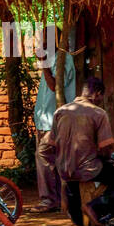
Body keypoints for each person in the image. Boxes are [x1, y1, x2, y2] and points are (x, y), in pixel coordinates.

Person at [39, 77, 114, 226]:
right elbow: (105, 151)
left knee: (79, 221)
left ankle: (99, 211)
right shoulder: (98, 113)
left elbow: (50, 145)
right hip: (89, 170)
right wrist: (107, 158)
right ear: (97, 94)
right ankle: (94, 206)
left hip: (65, 172)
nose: (101, 101)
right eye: (101, 97)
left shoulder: (61, 111)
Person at [31, 30, 77, 213]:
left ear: (56, 40)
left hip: (56, 120)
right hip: (44, 121)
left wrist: (43, 64)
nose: (42, 43)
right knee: (50, 159)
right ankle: (55, 200)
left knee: (43, 155)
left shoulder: (63, 59)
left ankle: (49, 200)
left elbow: (55, 86)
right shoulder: (51, 59)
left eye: (46, 39)